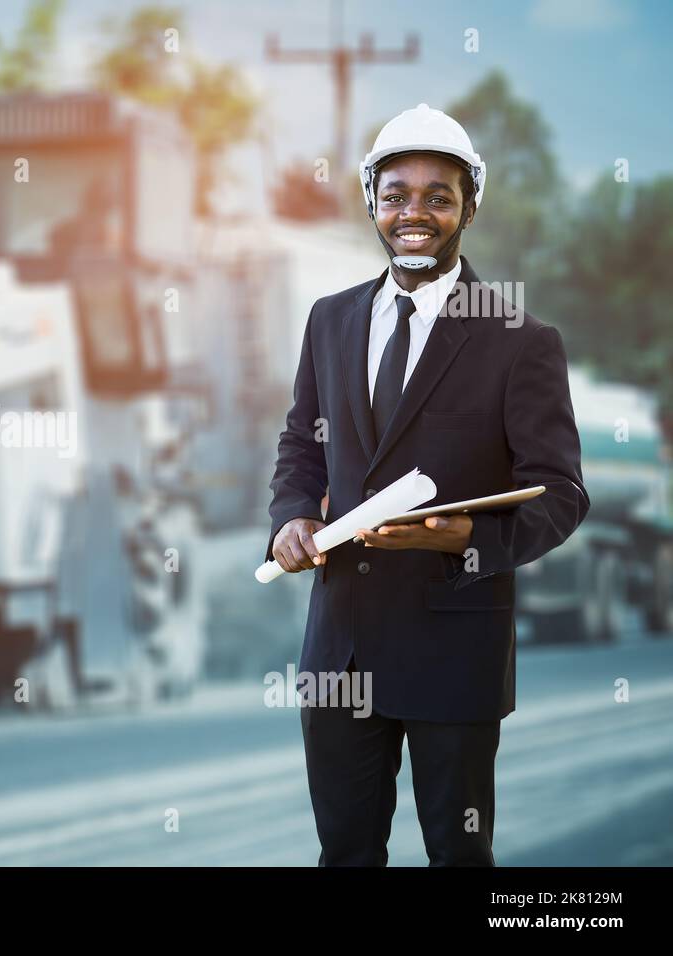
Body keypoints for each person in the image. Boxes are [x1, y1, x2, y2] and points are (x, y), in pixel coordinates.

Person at [264, 103, 589, 866]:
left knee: (457, 856)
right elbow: (301, 447)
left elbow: (561, 493)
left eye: (437, 197)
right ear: (372, 202)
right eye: (396, 194)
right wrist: (287, 518)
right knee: (345, 855)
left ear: (468, 206)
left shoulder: (521, 341)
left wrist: (471, 537)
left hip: (454, 649)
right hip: (340, 650)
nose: (415, 213)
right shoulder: (330, 320)